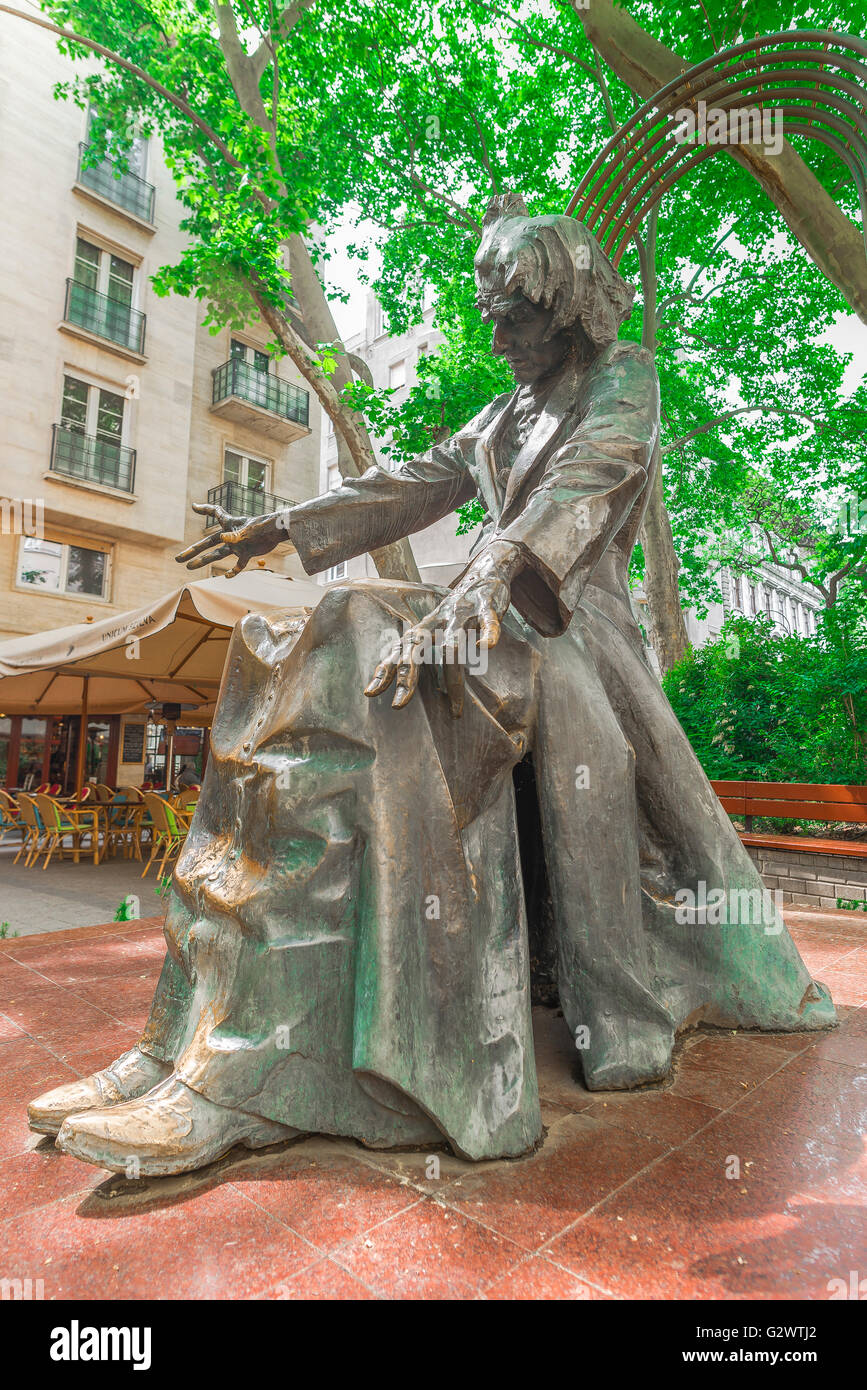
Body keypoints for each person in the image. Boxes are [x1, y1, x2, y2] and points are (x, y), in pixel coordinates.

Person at [30, 194, 834, 1177]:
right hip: (488, 627)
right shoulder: (498, 418)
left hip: (573, 635)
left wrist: (495, 567)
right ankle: (183, 1037)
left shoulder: (624, 379)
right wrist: (280, 526)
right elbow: (405, 483)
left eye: (514, 315)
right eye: (489, 312)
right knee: (299, 636)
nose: (494, 335)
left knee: (363, 635)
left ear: (569, 306)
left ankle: (248, 1075)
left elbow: (597, 471)